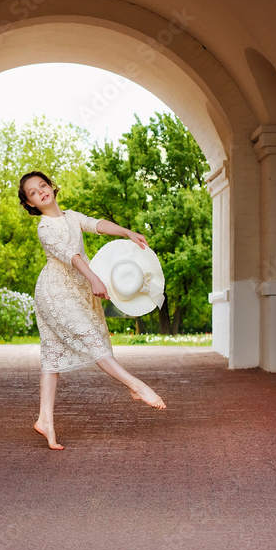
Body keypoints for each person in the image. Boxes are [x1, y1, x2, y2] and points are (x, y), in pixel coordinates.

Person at [18, 170, 166, 450]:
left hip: (77, 289)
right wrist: (94, 278)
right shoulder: (44, 228)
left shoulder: (71, 216)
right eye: (33, 193)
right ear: (30, 205)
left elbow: (96, 224)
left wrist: (126, 232)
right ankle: (135, 385)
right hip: (55, 291)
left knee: (52, 356)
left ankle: (44, 419)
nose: (41, 192)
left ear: (52, 187)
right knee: (91, 339)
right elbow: (71, 256)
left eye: (42, 185)